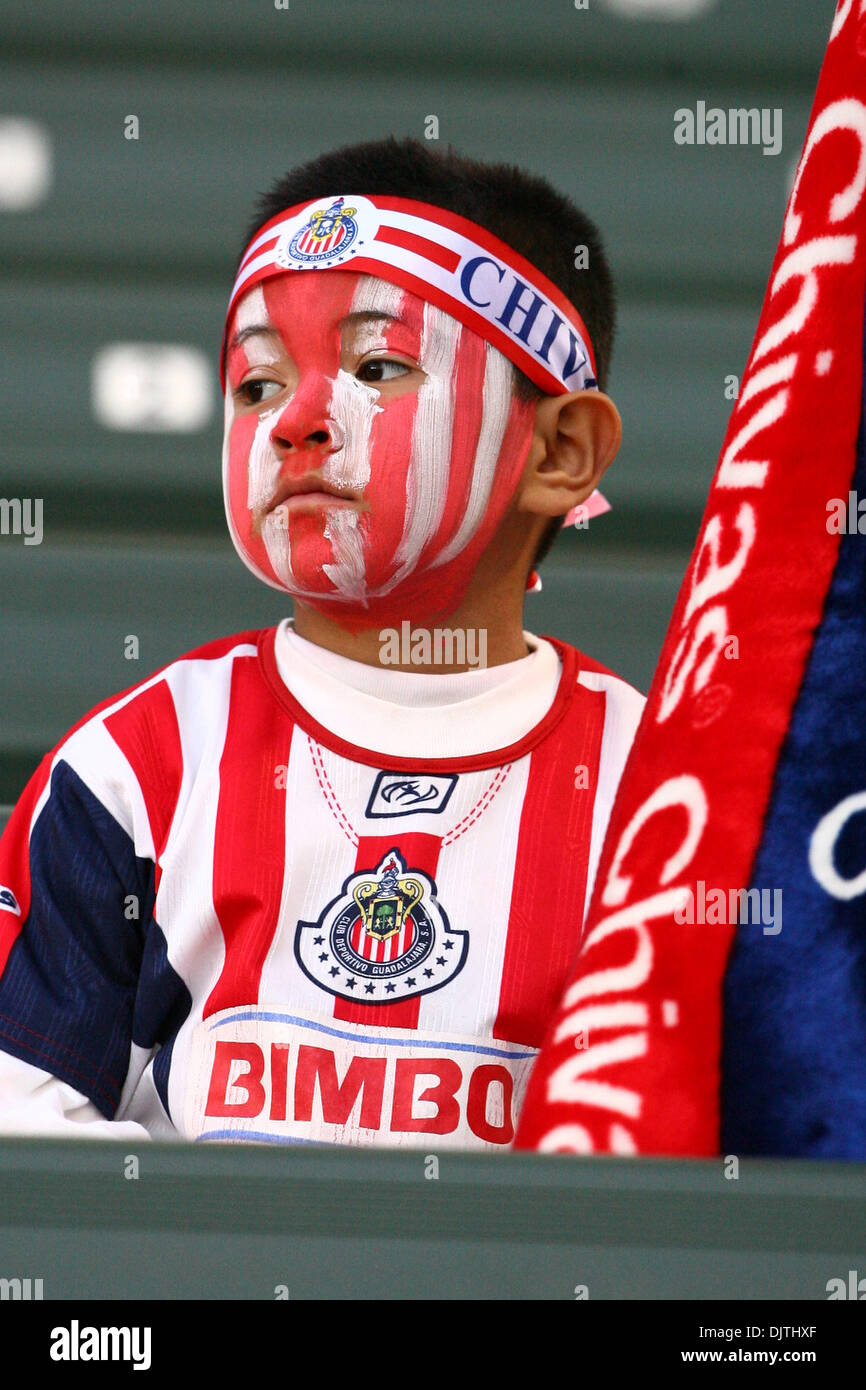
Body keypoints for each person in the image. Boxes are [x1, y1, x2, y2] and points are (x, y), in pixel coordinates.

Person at [0, 136, 644, 1147]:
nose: (295, 419)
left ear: (561, 451)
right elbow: (24, 1125)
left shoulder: (656, 792)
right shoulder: (139, 763)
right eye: (255, 384)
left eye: (377, 366)